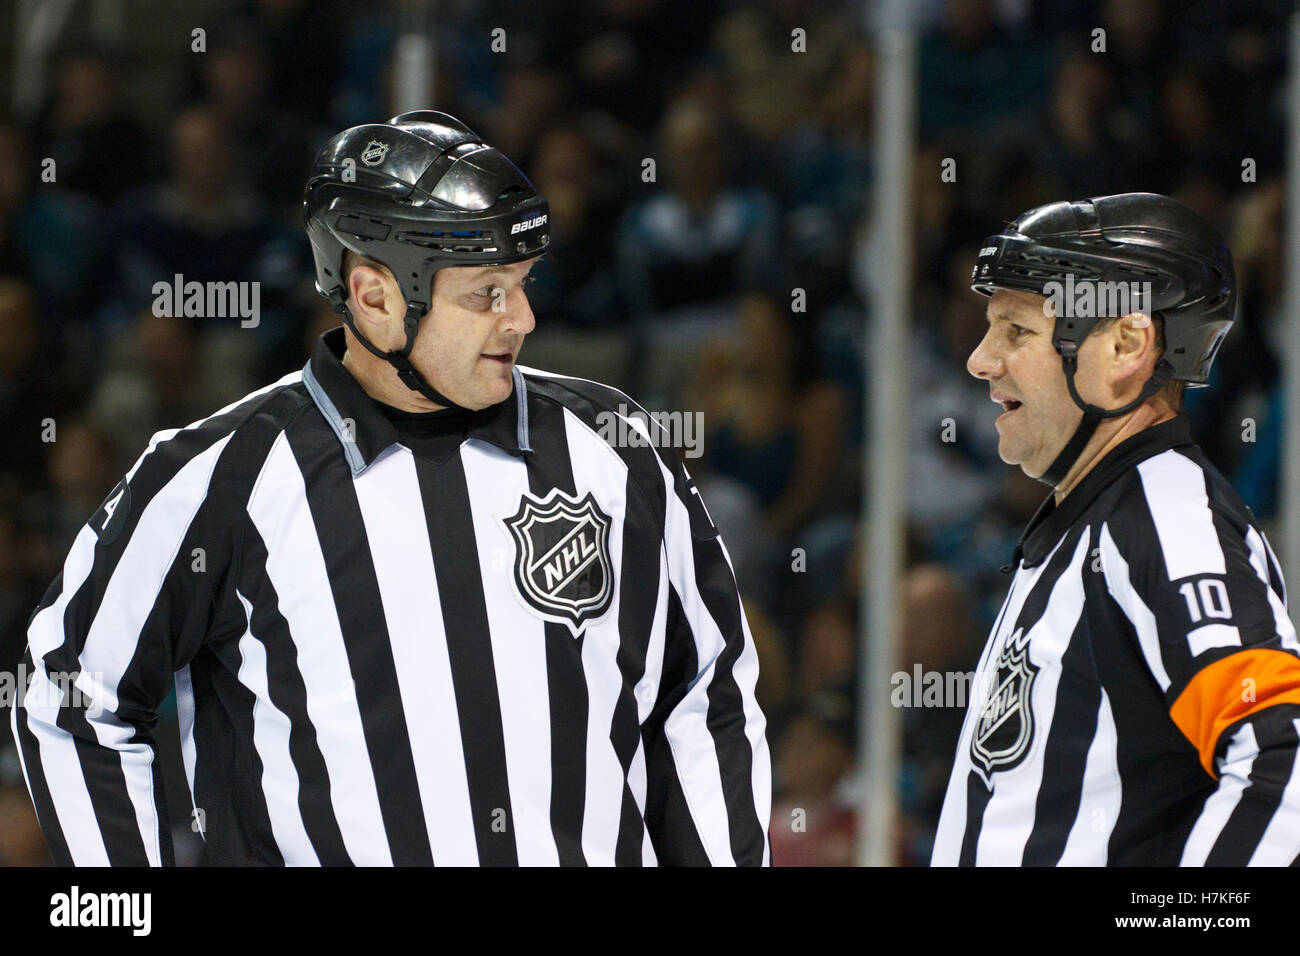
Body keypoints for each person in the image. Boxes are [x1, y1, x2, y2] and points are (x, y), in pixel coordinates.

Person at [12, 111, 771, 866]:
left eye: (522, 284)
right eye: (486, 295)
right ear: (374, 296)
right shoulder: (224, 475)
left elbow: (705, 698)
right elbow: (71, 692)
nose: (524, 319)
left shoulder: (615, 449)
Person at [933, 192, 1300, 866]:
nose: (981, 360)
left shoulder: (1167, 518)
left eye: (1016, 330)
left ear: (1126, 346)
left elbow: (1283, 759)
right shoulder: (1098, 519)